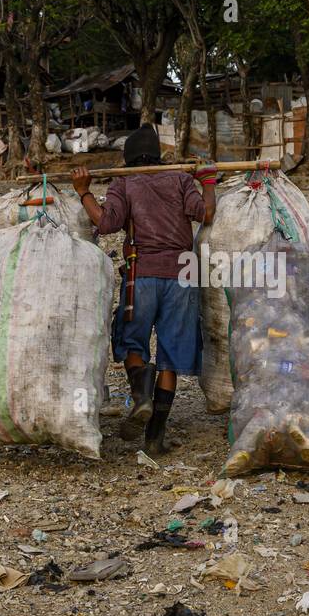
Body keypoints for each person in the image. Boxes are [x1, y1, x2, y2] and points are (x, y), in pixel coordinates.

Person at [72, 125, 218, 455]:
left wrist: (83, 191)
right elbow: (206, 213)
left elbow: (106, 223)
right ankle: (155, 436)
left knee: (129, 339)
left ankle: (141, 397)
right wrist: (208, 182)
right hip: (183, 273)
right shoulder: (181, 179)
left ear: (128, 159)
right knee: (171, 353)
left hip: (142, 274)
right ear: (158, 154)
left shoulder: (125, 182)